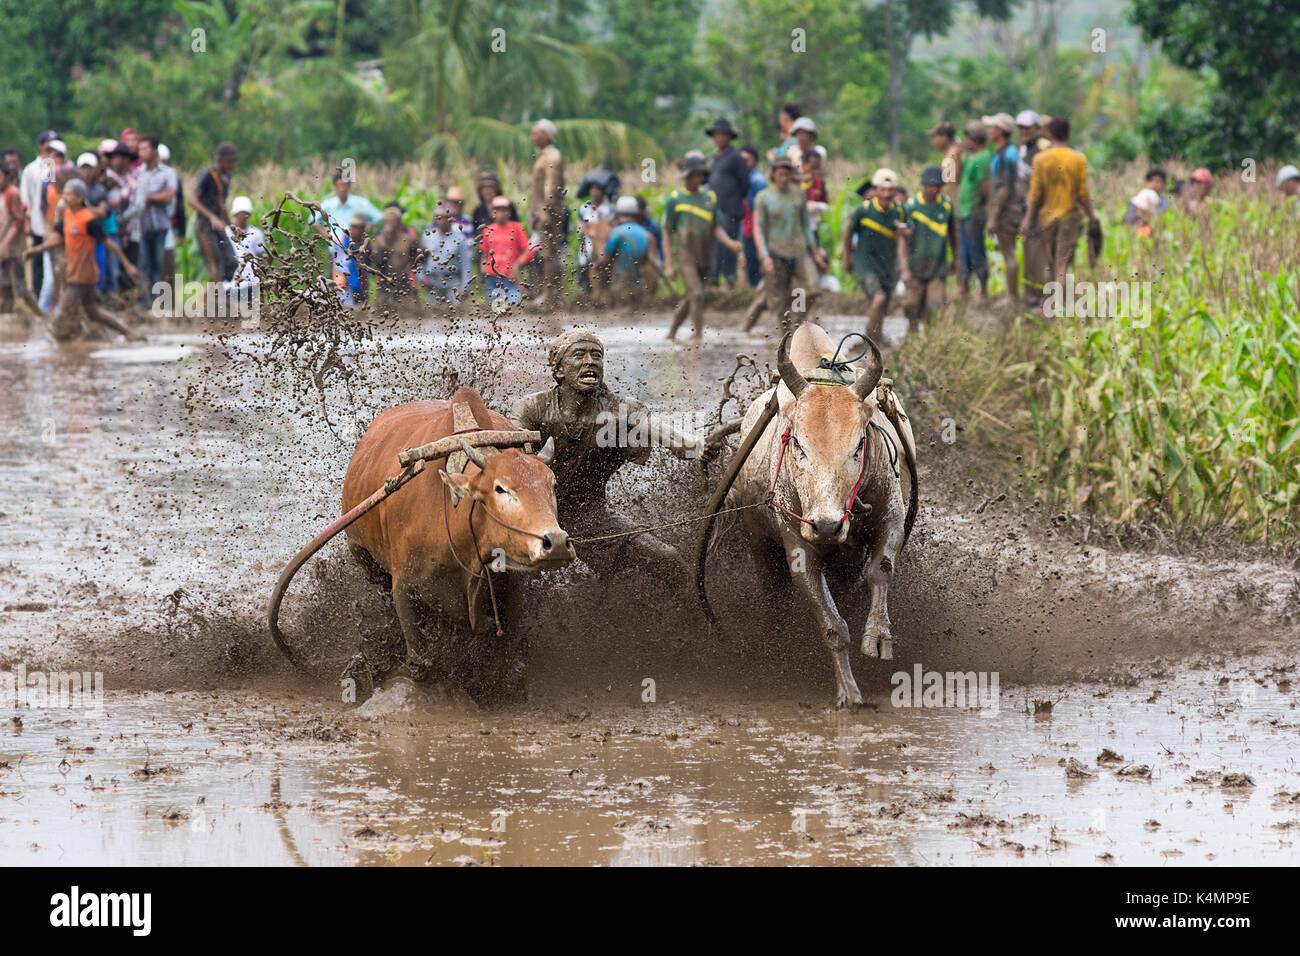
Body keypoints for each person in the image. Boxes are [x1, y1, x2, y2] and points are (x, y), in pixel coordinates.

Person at [511, 328, 715, 593]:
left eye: (597, 356)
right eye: (579, 355)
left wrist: (699, 447)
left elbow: (671, 438)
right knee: (499, 569)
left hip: (591, 516)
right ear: (559, 370)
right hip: (535, 514)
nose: (590, 361)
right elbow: (509, 456)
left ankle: (690, 625)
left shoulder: (621, 410)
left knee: (670, 561)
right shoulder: (531, 408)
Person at [26, 179, 139, 340]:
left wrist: (127, 265)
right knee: (94, 313)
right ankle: (129, 333)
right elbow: (57, 239)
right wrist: (35, 251)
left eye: (69, 194)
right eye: (64, 194)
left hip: (83, 276)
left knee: (60, 315)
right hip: (74, 273)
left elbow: (109, 244)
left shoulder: (88, 219)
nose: (65, 197)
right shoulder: (67, 215)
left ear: (80, 198)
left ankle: (50, 350)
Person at [662, 153, 740, 340]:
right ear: (687, 175)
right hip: (685, 253)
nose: (698, 178)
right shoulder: (675, 199)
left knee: (692, 296)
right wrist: (669, 265)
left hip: (705, 255)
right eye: (694, 175)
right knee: (696, 294)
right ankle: (698, 337)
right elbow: (666, 232)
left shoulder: (709, 198)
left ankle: (672, 331)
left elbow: (715, 227)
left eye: (700, 175)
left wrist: (730, 243)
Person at [1021, 116, 1098, 297]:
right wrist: (1092, 216)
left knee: (1048, 262)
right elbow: (1083, 193)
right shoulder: (1078, 158)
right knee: (1062, 264)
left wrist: (1026, 219)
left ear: (1048, 135)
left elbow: (1035, 193)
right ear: (1068, 135)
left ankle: (1048, 302)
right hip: (1069, 217)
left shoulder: (1040, 159)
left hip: (1045, 218)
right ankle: (1061, 305)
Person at [753, 154, 824, 334]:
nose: (783, 178)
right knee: (780, 300)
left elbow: (806, 225)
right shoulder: (764, 197)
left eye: (787, 174)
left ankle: (799, 321)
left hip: (799, 251)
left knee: (812, 289)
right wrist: (764, 256)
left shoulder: (799, 195)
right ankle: (785, 337)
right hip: (776, 252)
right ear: (774, 175)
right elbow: (758, 228)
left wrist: (815, 252)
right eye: (780, 174)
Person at [843, 168, 904, 340]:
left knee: (883, 304)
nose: (886, 194)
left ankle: (878, 335)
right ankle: (868, 338)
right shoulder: (863, 211)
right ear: (875, 190)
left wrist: (902, 264)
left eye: (890, 190)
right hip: (866, 265)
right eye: (882, 190)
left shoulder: (899, 211)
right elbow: (847, 233)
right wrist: (847, 258)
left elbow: (905, 237)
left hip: (888, 265)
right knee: (878, 298)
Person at [899, 165, 957, 331]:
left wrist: (955, 256)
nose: (933, 189)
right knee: (911, 306)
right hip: (915, 266)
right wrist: (903, 268)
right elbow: (903, 239)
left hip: (937, 267)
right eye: (930, 186)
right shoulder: (911, 206)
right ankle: (913, 333)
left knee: (935, 306)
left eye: (937, 186)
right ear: (923, 185)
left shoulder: (946, 206)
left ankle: (930, 339)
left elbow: (952, 234)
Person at [128, 135, 178, 309]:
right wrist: (155, 196)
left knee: (157, 268)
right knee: (143, 267)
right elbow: (134, 200)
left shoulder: (168, 173)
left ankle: (157, 306)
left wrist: (148, 197)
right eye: (140, 149)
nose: (141, 153)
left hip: (160, 226)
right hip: (141, 228)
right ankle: (143, 305)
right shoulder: (136, 173)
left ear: (154, 151)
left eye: (144, 149)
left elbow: (168, 196)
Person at [983, 113, 1022, 302]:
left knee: (1008, 252)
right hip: (1011, 209)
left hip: (1007, 211)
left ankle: (1012, 296)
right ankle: (1012, 294)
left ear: (1001, 131)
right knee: (1009, 251)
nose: (989, 131)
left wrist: (993, 216)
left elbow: (1004, 188)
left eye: (992, 128)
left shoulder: (1005, 155)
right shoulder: (1009, 152)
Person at [705, 117, 748, 289]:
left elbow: (744, 184)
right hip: (716, 209)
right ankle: (713, 279)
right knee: (715, 245)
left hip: (731, 208)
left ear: (729, 137)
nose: (720, 138)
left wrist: (733, 198)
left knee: (729, 244)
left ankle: (730, 279)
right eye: (717, 135)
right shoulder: (715, 158)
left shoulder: (736, 157)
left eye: (723, 135)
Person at [527, 119, 566, 306]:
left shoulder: (552, 156)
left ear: (547, 135)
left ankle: (551, 293)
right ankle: (550, 292)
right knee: (546, 251)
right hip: (542, 211)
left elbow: (551, 186)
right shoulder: (544, 155)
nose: (532, 137)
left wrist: (545, 211)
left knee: (550, 252)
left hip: (549, 212)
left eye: (536, 133)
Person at [189, 142, 239, 283]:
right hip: (205, 226)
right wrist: (211, 217)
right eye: (231, 161)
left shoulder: (227, 177)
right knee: (215, 263)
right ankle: (213, 301)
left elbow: (221, 205)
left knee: (231, 263)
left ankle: (208, 297)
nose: (233, 165)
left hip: (219, 225)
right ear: (222, 160)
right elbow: (192, 200)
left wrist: (231, 226)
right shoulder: (207, 175)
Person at [1014, 110, 1049, 305]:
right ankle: (1031, 296)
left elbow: (1038, 188)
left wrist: (1029, 215)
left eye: (1027, 128)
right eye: (1021, 128)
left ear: (1037, 129)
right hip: (1026, 211)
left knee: (1039, 256)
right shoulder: (1024, 150)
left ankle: (1044, 299)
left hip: (1038, 212)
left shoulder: (1041, 152)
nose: (1023, 131)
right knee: (1029, 254)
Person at [0, 163, 44, 319]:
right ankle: (7, 321)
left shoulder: (12, 193)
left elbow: (18, 220)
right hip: (2, 249)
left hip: (13, 248)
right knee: (4, 287)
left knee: (20, 287)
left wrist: (5, 243)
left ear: (6, 176)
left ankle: (40, 317)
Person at [479, 195, 534, 310]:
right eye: (497, 210)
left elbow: (527, 250)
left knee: (513, 308)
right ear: (492, 213)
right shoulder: (487, 230)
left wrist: (518, 265)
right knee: (495, 309)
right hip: (492, 278)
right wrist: (483, 266)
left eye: (504, 210)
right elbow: (484, 253)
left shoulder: (517, 228)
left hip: (511, 277)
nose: (501, 213)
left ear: (508, 212)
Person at [20, 131, 57, 300]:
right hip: (37, 223)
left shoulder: (62, 167)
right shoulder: (31, 169)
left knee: (55, 263)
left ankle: (53, 299)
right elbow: (25, 198)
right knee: (38, 263)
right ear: (40, 145)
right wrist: (27, 222)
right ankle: (37, 295)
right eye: (48, 144)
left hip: (55, 224)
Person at [956, 121, 991, 300]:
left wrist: (980, 205)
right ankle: (965, 287)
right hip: (964, 210)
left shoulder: (983, 157)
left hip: (974, 211)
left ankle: (983, 289)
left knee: (976, 250)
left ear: (974, 139)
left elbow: (984, 187)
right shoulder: (969, 156)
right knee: (965, 251)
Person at [601, 195, 653, 302]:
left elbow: (606, 258)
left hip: (620, 284)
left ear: (618, 213)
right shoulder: (647, 235)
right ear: (636, 214)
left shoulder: (616, 232)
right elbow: (652, 262)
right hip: (641, 284)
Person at [420, 199, 472, 305]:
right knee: (434, 314)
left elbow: (466, 264)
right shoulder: (427, 237)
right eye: (440, 218)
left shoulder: (459, 238)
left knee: (456, 312)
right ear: (436, 220)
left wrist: (465, 287)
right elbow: (420, 260)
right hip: (433, 280)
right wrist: (422, 277)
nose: (443, 221)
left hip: (453, 280)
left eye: (446, 218)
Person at [370, 203, 420, 308]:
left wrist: (412, 266)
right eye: (387, 221)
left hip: (404, 283)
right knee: (382, 314)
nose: (390, 224)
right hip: (385, 283)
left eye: (392, 221)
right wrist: (385, 245)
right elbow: (376, 262)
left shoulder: (407, 239)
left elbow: (421, 253)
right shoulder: (379, 240)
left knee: (409, 313)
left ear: (398, 223)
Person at [313, 172, 383, 242]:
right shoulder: (328, 205)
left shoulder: (361, 203)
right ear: (334, 187)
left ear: (349, 186)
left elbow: (379, 217)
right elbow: (313, 219)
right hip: (336, 247)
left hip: (357, 248)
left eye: (344, 185)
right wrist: (328, 237)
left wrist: (366, 228)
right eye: (339, 186)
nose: (342, 189)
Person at [225, 195, 263, 307]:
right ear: (235, 214)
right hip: (230, 284)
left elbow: (261, 259)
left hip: (251, 284)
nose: (243, 216)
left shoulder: (256, 233)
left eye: (245, 213)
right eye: (240, 213)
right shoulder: (226, 233)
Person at [739, 144, 766, 289]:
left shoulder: (757, 181)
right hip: (747, 225)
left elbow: (761, 209)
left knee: (755, 260)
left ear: (755, 161)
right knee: (749, 261)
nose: (743, 163)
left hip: (755, 225)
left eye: (747, 160)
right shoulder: (744, 178)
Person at [332, 211, 371, 308]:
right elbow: (338, 267)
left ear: (363, 229)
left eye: (357, 227)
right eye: (352, 226)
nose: (354, 230)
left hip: (361, 287)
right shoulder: (341, 243)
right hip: (344, 288)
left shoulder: (366, 245)